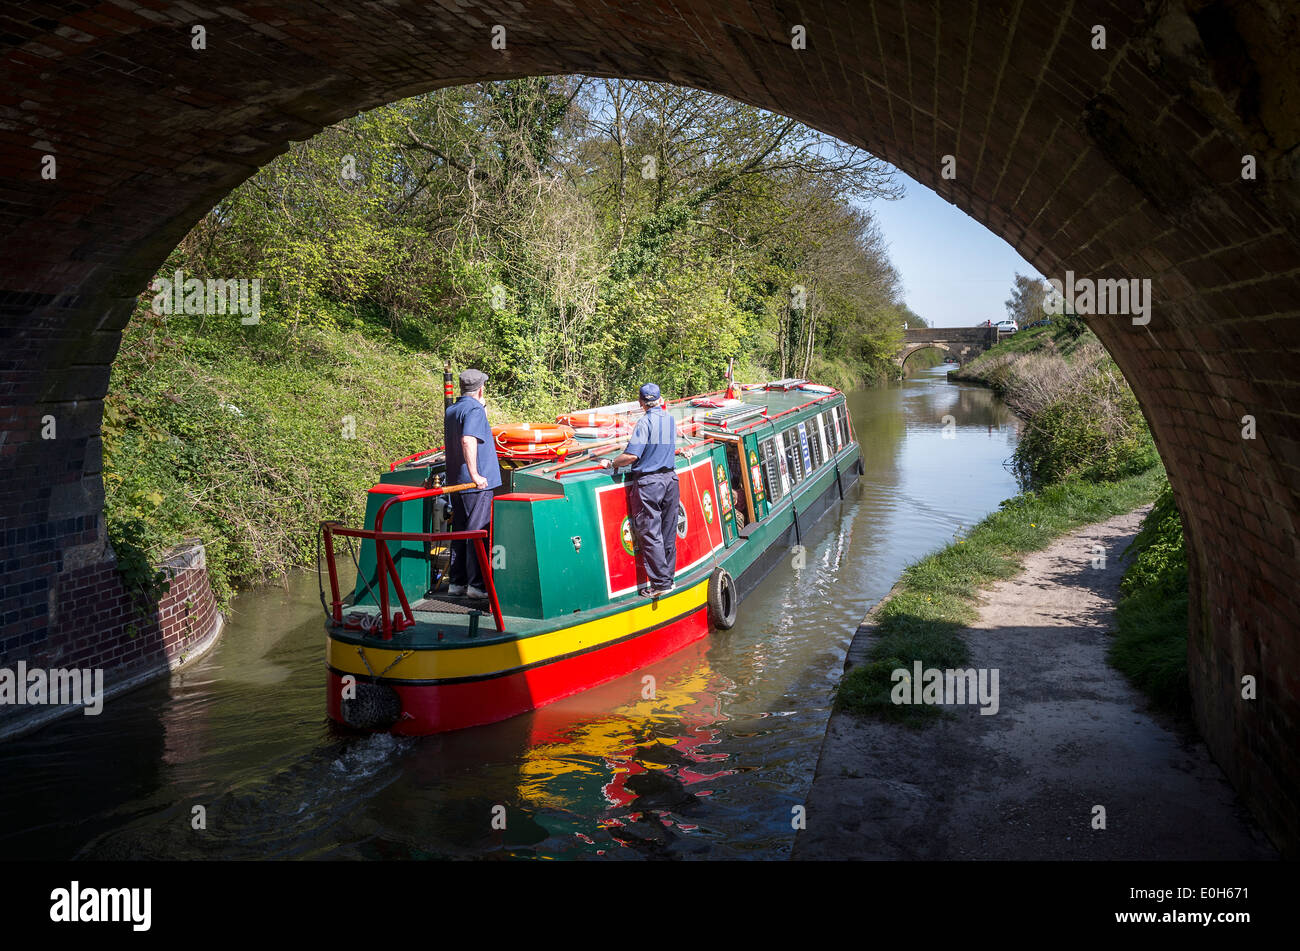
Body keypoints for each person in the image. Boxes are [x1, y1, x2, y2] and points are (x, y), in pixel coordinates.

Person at [602, 383, 679, 597]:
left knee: (651, 533)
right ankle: (669, 579)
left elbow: (632, 456)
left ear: (640, 402)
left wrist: (612, 463)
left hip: (650, 483)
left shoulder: (644, 422)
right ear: (660, 399)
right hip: (671, 480)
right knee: (668, 532)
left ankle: (661, 584)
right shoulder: (669, 418)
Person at [443, 369, 501, 598]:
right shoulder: (475, 409)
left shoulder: (453, 409)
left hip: (457, 482)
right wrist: (476, 475)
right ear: (481, 388)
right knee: (477, 532)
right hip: (477, 484)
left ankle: (456, 583)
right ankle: (477, 586)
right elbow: (468, 439)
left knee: (459, 530)